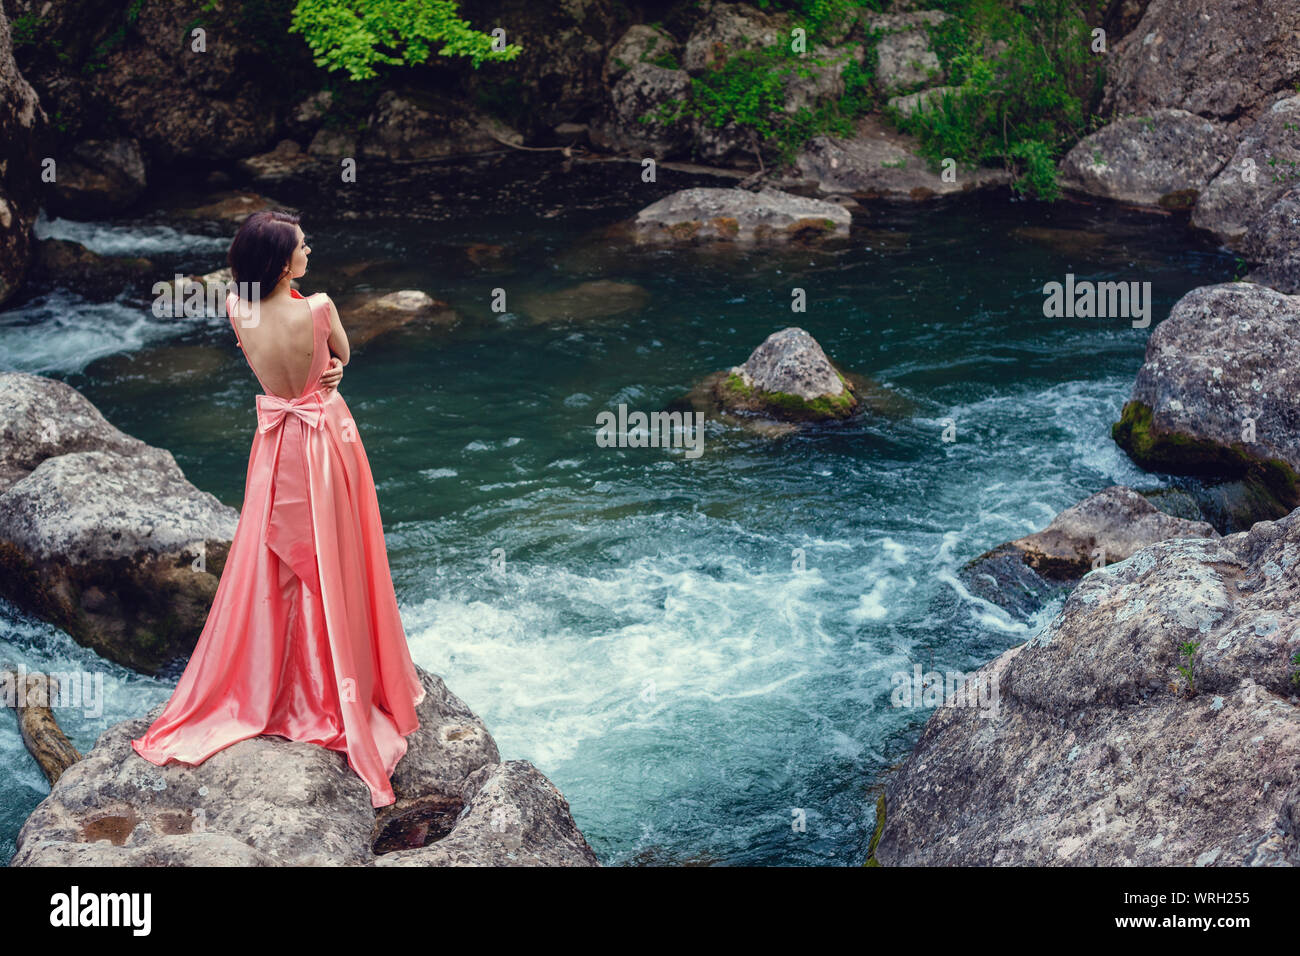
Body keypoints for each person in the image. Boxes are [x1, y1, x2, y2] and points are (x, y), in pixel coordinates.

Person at [131, 209, 426, 809]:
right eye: (300, 245)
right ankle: (338, 684)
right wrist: (332, 368)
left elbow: (274, 349)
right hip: (325, 441)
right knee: (337, 556)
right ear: (281, 261)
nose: (309, 250)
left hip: (274, 445)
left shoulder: (238, 312)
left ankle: (275, 682)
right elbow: (342, 355)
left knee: (269, 562)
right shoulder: (317, 307)